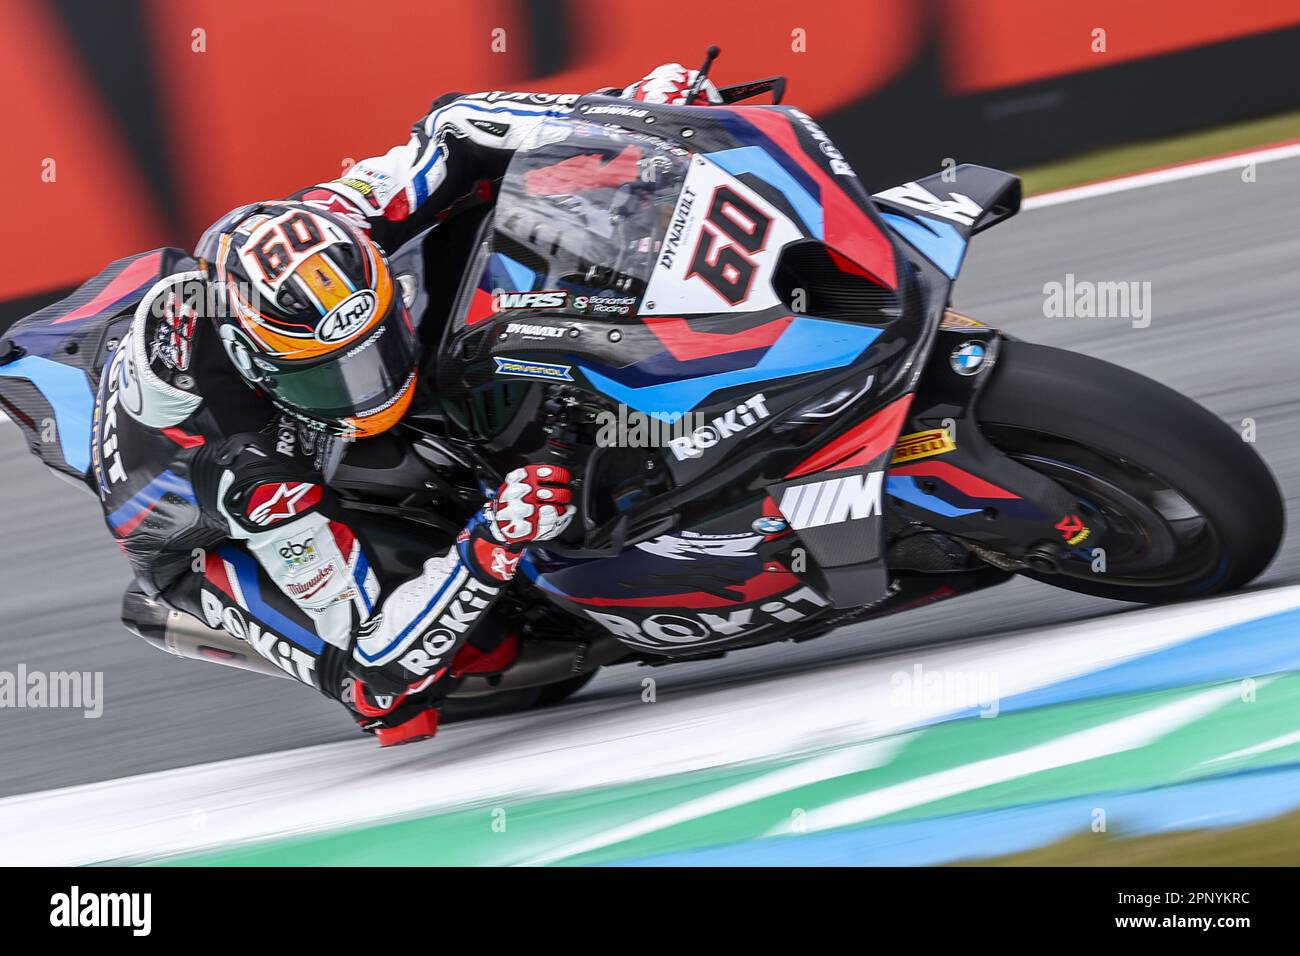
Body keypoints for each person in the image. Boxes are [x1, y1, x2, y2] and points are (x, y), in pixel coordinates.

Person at [92, 63, 722, 745]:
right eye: (332, 375)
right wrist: (492, 539)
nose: (371, 387)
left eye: (375, 348)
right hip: (203, 521)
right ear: (258, 366)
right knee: (380, 694)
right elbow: (374, 663)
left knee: (478, 217)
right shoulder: (251, 474)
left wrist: (621, 112)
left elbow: (456, 128)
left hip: (259, 377)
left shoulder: (337, 222)